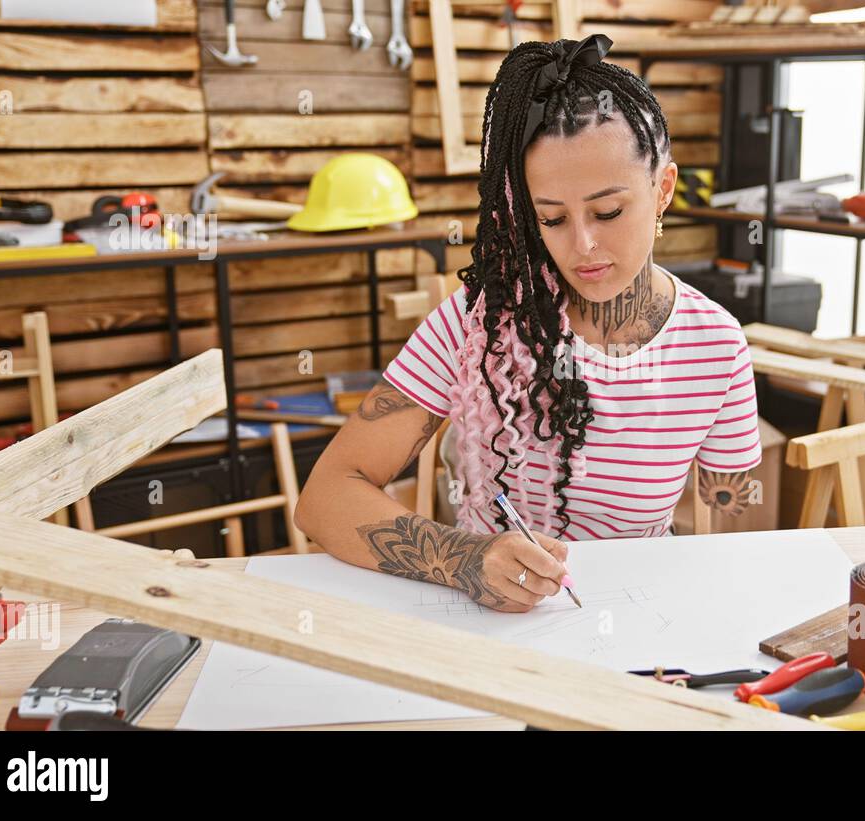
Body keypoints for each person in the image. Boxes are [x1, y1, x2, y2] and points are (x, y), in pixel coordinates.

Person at [295, 34, 762, 613]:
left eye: (608, 211)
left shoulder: (716, 345)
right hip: (496, 626)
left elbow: (736, 518)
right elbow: (324, 498)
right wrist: (463, 558)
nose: (583, 245)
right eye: (552, 218)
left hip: (637, 621)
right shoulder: (480, 322)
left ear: (662, 189)